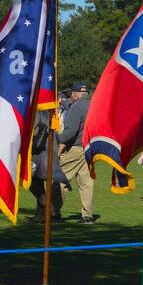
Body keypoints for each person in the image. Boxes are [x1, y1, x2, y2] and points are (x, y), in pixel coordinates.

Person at [57, 81, 95, 223]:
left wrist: (55, 138)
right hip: (89, 148)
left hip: (75, 147)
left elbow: (70, 133)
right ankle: (87, 215)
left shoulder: (76, 107)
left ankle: (53, 212)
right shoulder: (92, 104)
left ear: (74, 94)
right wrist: (62, 103)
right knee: (86, 183)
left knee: (60, 179)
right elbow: (72, 105)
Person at [27, 115, 67, 223]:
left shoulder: (39, 110)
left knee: (29, 180)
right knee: (37, 182)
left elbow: (34, 130)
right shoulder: (47, 110)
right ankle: (40, 215)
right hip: (44, 150)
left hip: (38, 153)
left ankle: (49, 207)